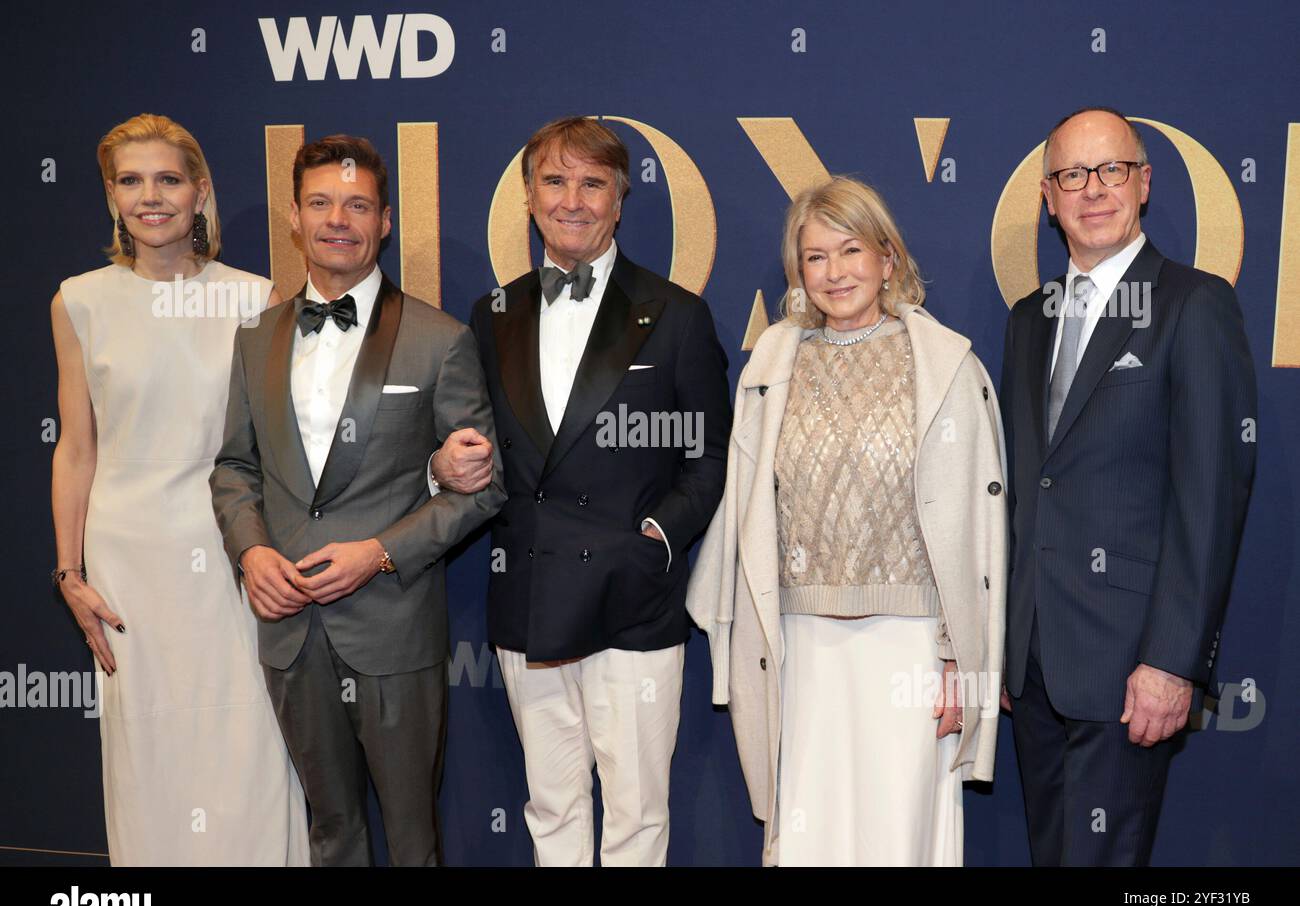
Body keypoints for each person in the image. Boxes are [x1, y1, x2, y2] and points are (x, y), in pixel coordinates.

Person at [434, 116, 730, 866]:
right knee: (552, 807)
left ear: (621, 199)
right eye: (555, 181)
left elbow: (709, 456)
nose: (573, 200)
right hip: (529, 594)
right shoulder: (492, 314)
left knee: (636, 816)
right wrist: (444, 468)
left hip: (631, 600)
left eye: (592, 182)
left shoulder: (675, 315)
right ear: (528, 197)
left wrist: (655, 538)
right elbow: (480, 448)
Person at [687, 176, 1008, 866]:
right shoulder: (771, 366)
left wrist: (962, 663)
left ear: (888, 259)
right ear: (797, 271)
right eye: (815, 257)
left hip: (914, 647)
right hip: (800, 644)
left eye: (851, 250)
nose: (834, 273)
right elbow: (748, 515)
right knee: (810, 836)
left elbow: (975, 540)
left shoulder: (946, 366)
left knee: (900, 837)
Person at [210, 134, 505, 866]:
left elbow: (483, 489)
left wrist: (378, 554)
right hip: (290, 630)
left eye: (357, 204)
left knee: (411, 841)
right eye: (320, 202)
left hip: (392, 627)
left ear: (385, 221)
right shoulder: (255, 337)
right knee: (330, 833)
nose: (338, 219)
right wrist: (250, 552)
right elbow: (234, 468)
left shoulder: (441, 340)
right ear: (294, 216)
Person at [1000, 107, 1257, 865]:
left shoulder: (1193, 304)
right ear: (1049, 197)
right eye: (1072, 175)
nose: (1093, 190)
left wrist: (1174, 661)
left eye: (1111, 169)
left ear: (1143, 183)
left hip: (1130, 665)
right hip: (1036, 663)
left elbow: (1211, 497)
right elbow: (1025, 487)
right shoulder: (1028, 320)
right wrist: (1009, 638)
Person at [50, 113, 309, 865]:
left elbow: (271, 451)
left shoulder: (254, 299)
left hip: (231, 554)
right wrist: (70, 572)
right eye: (130, 181)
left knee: (248, 743)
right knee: (150, 753)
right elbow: (76, 448)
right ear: (110, 197)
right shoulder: (79, 302)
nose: (149, 197)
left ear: (200, 194)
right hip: (127, 562)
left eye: (168, 179)